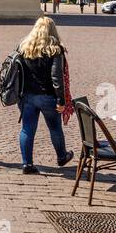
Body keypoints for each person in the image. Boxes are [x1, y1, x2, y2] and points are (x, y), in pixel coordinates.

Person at [15, 16, 74, 175]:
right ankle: (62, 156)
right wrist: (61, 99)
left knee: (27, 129)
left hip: (27, 96)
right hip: (48, 96)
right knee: (55, 128)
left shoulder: (24, 47)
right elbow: (57, 77)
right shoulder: (55, 49)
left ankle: (27, 163)